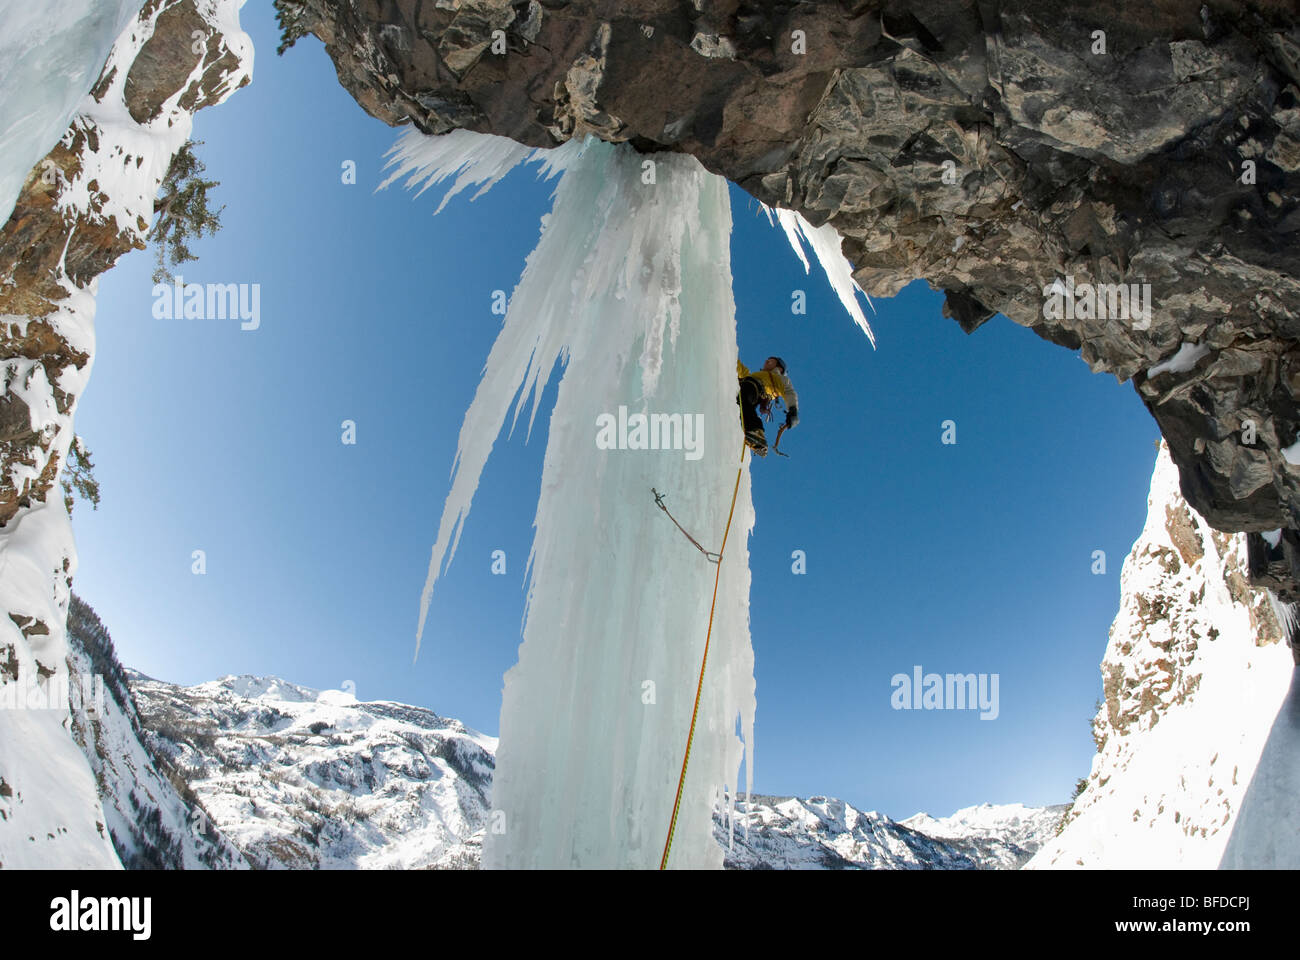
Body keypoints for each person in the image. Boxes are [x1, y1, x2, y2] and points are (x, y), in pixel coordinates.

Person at [737, 356, 798, 456]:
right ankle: (753, 434)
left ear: (780, 368)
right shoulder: (755, 375)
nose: (766, 361)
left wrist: (793, 411)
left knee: (743, 398)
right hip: (748, 387)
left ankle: (755, 431)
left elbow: (789, 392)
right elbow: (741, 370)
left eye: (771, 360)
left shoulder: (779, 378)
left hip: (754, 388)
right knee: (742, 406)